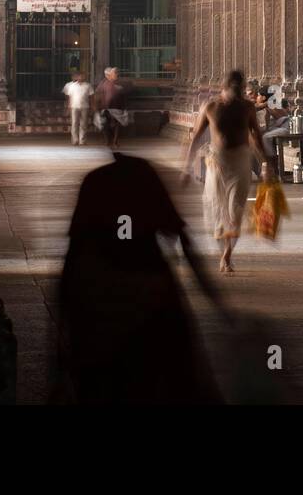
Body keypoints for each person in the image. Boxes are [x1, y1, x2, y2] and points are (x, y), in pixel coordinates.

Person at [56, 152, 228, 404]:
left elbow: (74, 252)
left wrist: (65, 317)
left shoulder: (97, 182)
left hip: (103, 293)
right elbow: (186, 243)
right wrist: (217, 301)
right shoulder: (144, 178)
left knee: (104, 381)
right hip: (151, 289)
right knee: (166, 376)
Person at [184, 70, 268, 274]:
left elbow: (256, 136)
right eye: (234, 88)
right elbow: (196, 137)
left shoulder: (247, 107)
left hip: (240, 161)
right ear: (225, 87)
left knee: (235, 210)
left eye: (240, 88)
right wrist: (186, 167)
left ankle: (227, 256)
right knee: (216, 208)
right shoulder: (211, 107)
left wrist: (265, 163)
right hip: (217, 164)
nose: (237, 92)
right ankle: (224, 248)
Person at [94, 67, 130, 150]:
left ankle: (115, 141)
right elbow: (97, 94)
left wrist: (125, 107)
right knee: (105, 124)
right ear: (108, 75)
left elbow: (124, 96)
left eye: (117, 73)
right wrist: (96, 107)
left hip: (117, 108)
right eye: (114, 73)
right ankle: (107, 141)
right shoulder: (103, 83)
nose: (117, 75)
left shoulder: (120, 83)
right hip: (105, 108)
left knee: (117, 125)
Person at [62, 72, 94, 146]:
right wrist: (68, 106)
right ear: (77, 77)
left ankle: (82, 141)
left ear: (84, 77)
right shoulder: (72, 86)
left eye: (83, 76)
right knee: (74, 123)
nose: (81, 77)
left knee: (83, 124)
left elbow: (92, 97)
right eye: (79, 76)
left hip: (85, 107)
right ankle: (75, 140)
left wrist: (92, 106)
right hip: (74, 107)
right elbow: (69, 97)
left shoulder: (88, 85)